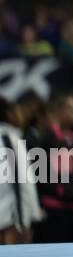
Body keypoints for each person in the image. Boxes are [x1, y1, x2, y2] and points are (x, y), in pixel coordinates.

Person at [33, 89, 73, 243]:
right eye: (72, 109)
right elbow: (37, 176)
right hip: (56, 210)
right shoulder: (46, 140)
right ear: (59, 111)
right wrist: (58, 192)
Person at [0, 98, 41, 244]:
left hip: (8, 214)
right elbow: (24, 179)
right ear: (9, 114)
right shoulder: (9, 139)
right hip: (12, 218)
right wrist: (31, 214)